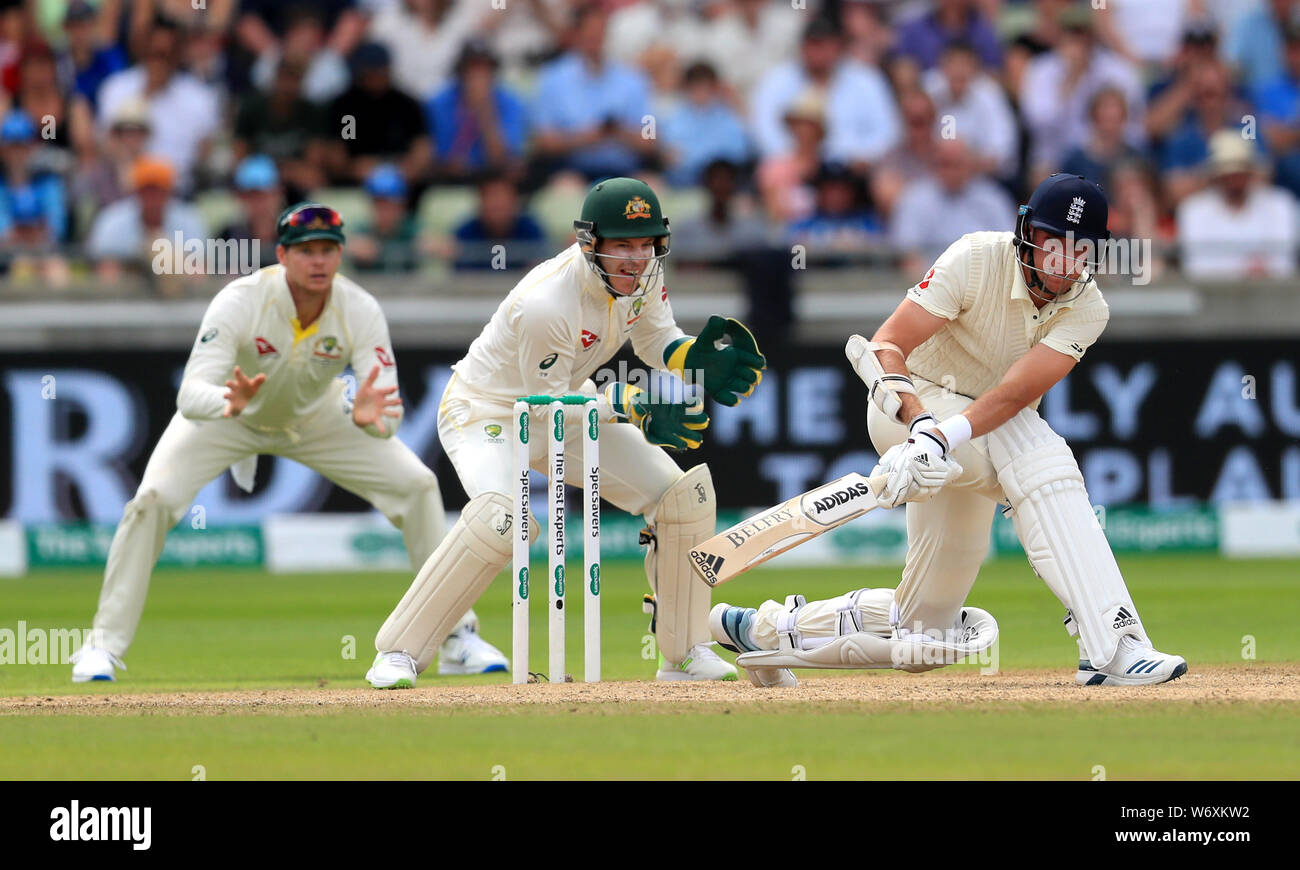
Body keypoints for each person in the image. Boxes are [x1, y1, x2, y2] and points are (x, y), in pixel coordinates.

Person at [711, 174, 1188, 689]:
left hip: (975, 434)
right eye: (1053, 243)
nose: (1061, 262)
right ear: (1027, 232)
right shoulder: (976, 258)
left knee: (922, 633)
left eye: (1078, 250)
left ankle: (764, 628)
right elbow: (887, 344)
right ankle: (1113, 645)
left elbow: (1011, 395)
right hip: (908, 409)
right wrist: (920, 426)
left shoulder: (1089, 308)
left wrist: (944, 439)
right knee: (1042, 457)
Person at [70, 201, 508, 683]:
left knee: (418, 484)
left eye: (328, 250)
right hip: (228, 417)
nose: (318, 261)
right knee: (150, 500)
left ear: (340, 255)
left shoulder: (359, 309)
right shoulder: (240, 300)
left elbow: (388, 412)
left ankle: (455, 637)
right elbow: (190, 394)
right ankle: (102, 647)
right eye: (306, 251)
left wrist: (369, 421)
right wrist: (227, 404)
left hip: (319, 416)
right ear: (281, 254)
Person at [365, 178, 766, 688]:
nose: (636, 258)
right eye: (622, 245)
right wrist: (634, 407)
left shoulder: (643, 273)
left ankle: (684, 652)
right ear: (589, 243)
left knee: (681, 497)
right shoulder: (547, 303)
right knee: (503, 520)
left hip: (569, 405)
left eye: (646, 244)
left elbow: (653, 334)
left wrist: (690, 356)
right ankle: (398, 652)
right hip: (489, 413)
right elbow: (542, 407)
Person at [1176, 130, 1299, 280]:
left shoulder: (1280, 205)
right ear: (1216, 174)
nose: (1234, 179)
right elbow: (1197, 269)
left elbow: (1284, 264)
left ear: (1251, 171)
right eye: (1228, 173)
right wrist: (1245, 272)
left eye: (1240, 171)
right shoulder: (1193, 211)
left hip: (1271, 297)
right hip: (1214, 299)